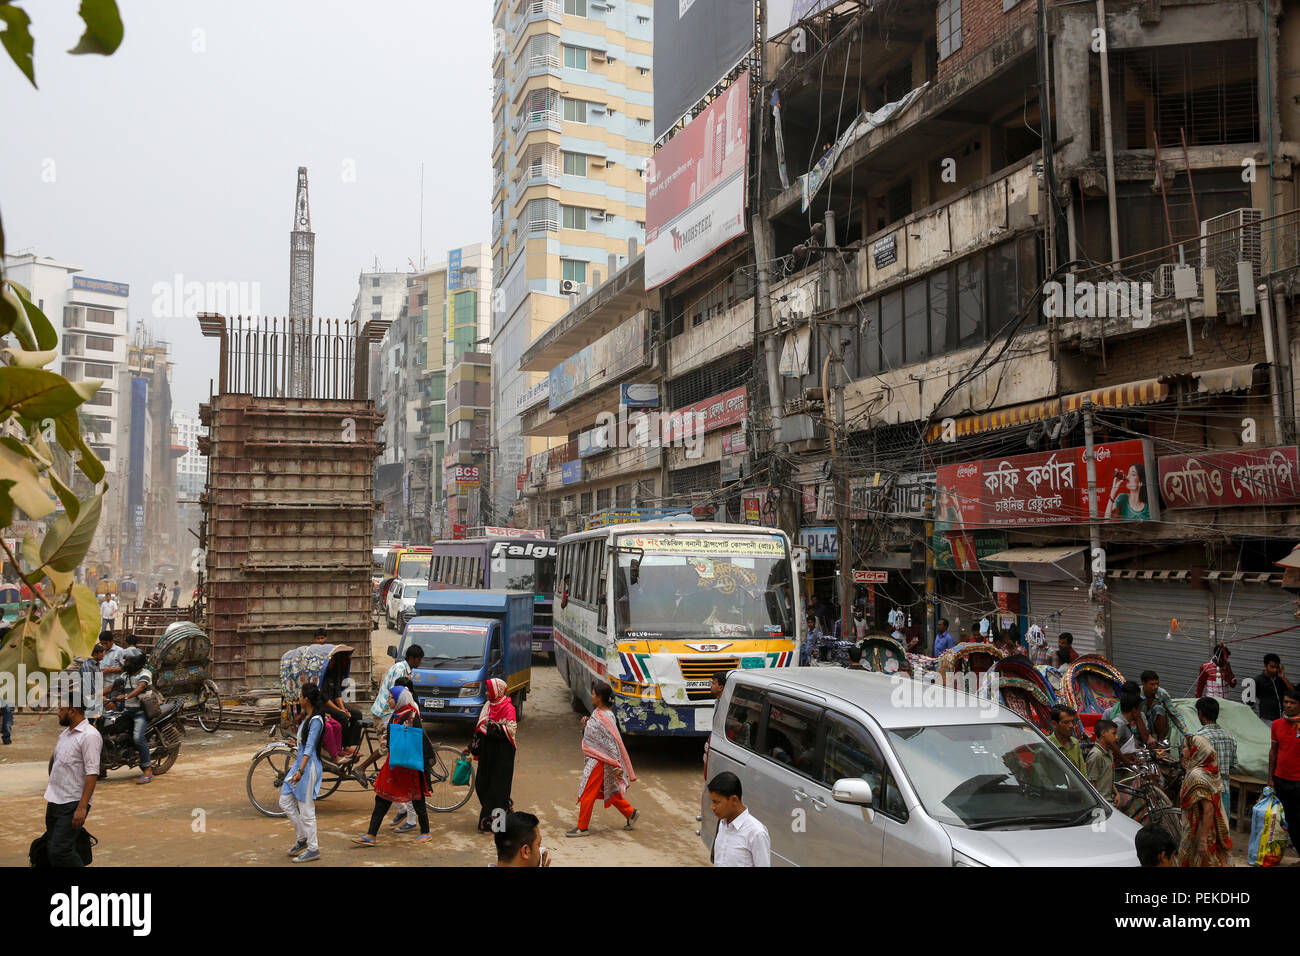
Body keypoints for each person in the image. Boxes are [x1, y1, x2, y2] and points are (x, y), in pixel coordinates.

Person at [353, 681, 433, 848]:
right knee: (382, 797)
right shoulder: (397, 714)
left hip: (410, 767)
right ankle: (371, 835)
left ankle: (425, 832)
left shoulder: (411, 716)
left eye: (391, 698)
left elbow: (419, 741)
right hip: (394, 765)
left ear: (399, 699)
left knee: (417, 799)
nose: (388, 700)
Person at [356, 643, 424, 817]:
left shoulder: (405, 669)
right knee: (390, 748)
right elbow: (397, 696)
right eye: (419, 659)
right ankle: (361, 768)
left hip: (390, 711)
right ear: (413, 658)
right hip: (385, 713)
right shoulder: (401, 670)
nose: (421, 662)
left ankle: (401, 807)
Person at [42, 686, 102, 867]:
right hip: (55, 800)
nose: (58, 714)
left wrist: (82, 807)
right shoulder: (65, 734)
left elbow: (92, 773)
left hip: (72, 802)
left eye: (61, 710)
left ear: (72, 710)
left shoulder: (90, 736)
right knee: (52, 846)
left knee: (61, 850)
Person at [568, 681, 637, 837]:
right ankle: (631, 813)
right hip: (601, 759)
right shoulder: (602, 713)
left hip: (599, 760)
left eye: (593, 693)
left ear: (599, 697)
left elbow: (611, 743)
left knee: (587, 791)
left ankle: (582, 827)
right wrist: (586, 726)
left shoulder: (603, 717)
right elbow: (596, 737)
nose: (591, 696)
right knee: (610, 790)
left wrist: (617, 764)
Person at [281, 683, 326, 862]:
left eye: (300, 695)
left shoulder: (316, 720)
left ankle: (313, 848)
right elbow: (304, 744)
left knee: (307, 810)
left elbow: (310, 747)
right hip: (300, 764)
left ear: (306, 699)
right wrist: (296, 743)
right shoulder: (308, 718)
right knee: (285, 801)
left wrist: (300, 770)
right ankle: (303, 838)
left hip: (307, 767)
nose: (299, 697)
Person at [1177, 734, 1232, 866]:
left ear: (1195, 751)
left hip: (1200, 828)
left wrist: (1202, 840)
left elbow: (1208, 809)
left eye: (1185, 747)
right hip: (1211, 827)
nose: (1182, 750)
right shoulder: (1209, 770)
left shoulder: (1197, 775)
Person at [472, 677, 518, 834]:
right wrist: (472, 747)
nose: (486, 693)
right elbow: (481, 731)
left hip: (502, 757)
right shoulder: (488, 706)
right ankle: (505, 812)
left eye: (488, 690)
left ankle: (495, 825)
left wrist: (492, 727)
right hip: (487, 755)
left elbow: (510, 731)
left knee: (498, 791)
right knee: (481, 785)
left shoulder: (509, 708)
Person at [707, 771, 770, 866]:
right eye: (712, 801)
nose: (712, 807)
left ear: (734, 800)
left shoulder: (757, 833)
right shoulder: (722, 823)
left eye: (716, 802)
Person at [1267, 685, 1300, 858]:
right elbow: (1273, 752)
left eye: (1292, 703)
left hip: (1298, 782)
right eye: (1286, 702)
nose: (1288, 705)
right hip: (1280, 779)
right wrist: (1270, 777)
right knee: (1285, 822)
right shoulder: (1277, 724)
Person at [113, 648, 154, 784]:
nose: (125, 662)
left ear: (136, 663)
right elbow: (113, 687)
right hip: (127, 712)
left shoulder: (144, 673)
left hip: (141, 713)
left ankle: (147, 769)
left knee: (138, 738)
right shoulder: (125, 675)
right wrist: (96, 695)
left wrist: (126, 696)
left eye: (128, 660)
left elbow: (141, 687)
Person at [1194, 696, 1237, 821]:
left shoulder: (1199, 738)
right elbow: (1232, 765)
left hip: (1204, 791)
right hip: (1223, 790)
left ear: (1200, 713)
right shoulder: (1230, 738)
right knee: (1221, 830)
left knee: (1204, 830)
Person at [1085, 719, 1120, 802]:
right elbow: (1092, 784)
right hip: (1102, 802)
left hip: (1109, 800)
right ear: (1103, 733)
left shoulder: (1109, 752)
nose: (1117, 737)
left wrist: (1117, 794)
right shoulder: (1096, 755)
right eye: (1114, 733)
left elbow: (1108, 778)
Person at [1254, 653, 1294, 723]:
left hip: (1283, 718)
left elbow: (1293, 692)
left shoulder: (1280, 679)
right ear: (1265, 666)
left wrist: (1283, 678)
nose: (1275, 670)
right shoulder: (1258, 680)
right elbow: (1250, 699)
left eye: (1277, 667)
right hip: (1267, 719)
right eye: (1272, 667)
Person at [1047, 703, 1086, 773]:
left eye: (1072, 722)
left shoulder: (1075, 743)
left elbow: (1082, 772)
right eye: (1066, 722)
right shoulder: (1046, 745)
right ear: (1054, 724)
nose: (1071, 726)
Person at [77, 642, 105, 722]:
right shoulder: (88, 666)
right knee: (90, 722)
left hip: (95, 699)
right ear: (95, 654)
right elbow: (90, 687)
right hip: (90, 700)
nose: (103, 654)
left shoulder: (96, 665)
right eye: (101, 652)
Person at [1139, 670, 1169, 741]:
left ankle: (1160, 742)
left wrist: (1186, 733)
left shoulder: (1162, 694)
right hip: (1140, 725)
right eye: (1152, 684)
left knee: (1159, 708)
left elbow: (1174, 714)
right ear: (1143, 684)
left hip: (1156, 727)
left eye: (1157, 684)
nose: (1156, 687)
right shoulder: (1136, 694)